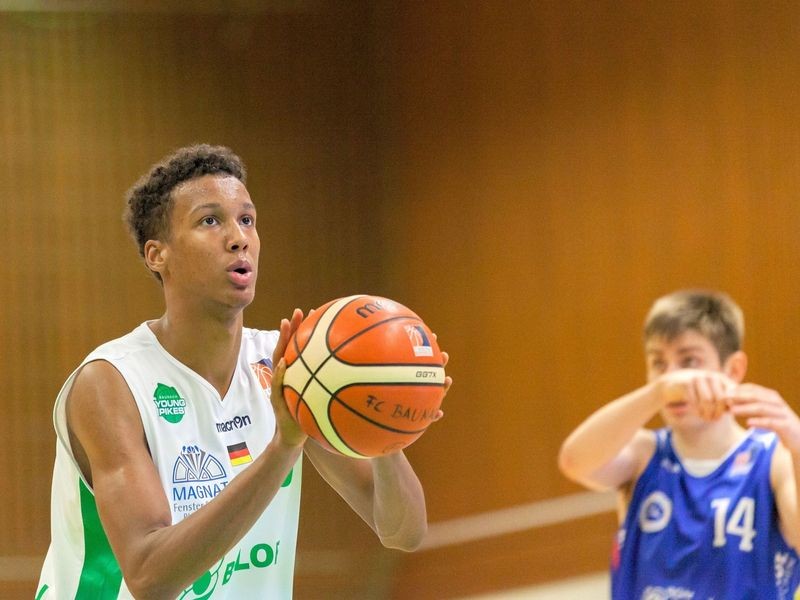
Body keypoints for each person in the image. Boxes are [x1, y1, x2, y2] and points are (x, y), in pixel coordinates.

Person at [36, 144, 449, 599]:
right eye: (210, 220)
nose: (238, 238)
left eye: (247, 219)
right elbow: (151, 577)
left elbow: (403, 532)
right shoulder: (111, 382)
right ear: (158, 255)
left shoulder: (292, 366)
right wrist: (282, 449)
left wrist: (387, 422)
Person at [558, 289, 800, 600]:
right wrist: (656, 393)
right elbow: (574, 462)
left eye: (689, 361)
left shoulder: (775, 459)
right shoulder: (643, 455)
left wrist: (797, 442)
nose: (675, 378)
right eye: (658, 363)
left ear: (733, 369)